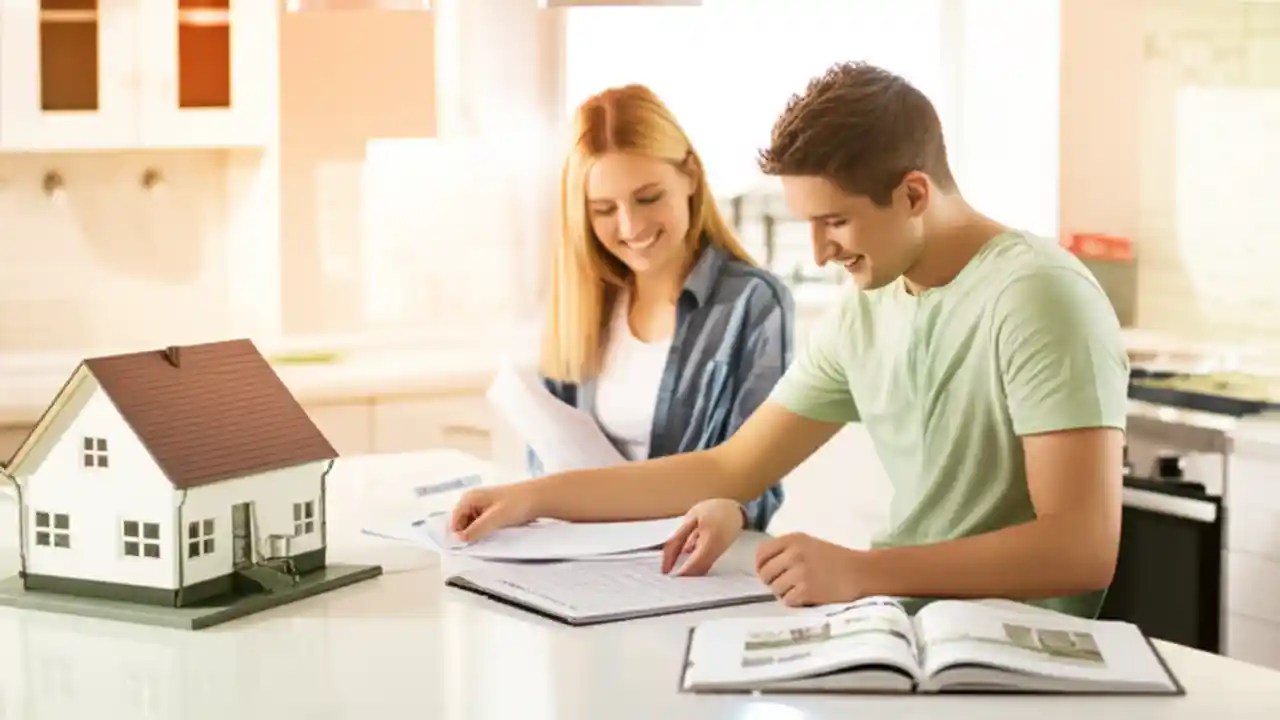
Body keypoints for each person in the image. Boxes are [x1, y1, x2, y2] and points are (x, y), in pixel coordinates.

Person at [454, 63, 1129, 619]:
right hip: (904, 628)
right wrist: (534, 497)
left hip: (1015, 656)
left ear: (914, 194)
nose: (819, 251)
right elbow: (729, 468)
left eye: (835, 221)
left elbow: (1080, 548)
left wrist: (862, 571)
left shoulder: (1037, 296)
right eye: (806, 222)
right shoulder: (868, 306)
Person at [525, 83, 794, 531]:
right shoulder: (583, 303)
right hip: (581, 556)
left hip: (689, 561)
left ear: (690, 175)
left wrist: (729, 510)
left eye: (648, 198)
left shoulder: (753, 303)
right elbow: (545, 464)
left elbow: (756, 481)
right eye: (604, 209)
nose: (631, 226)